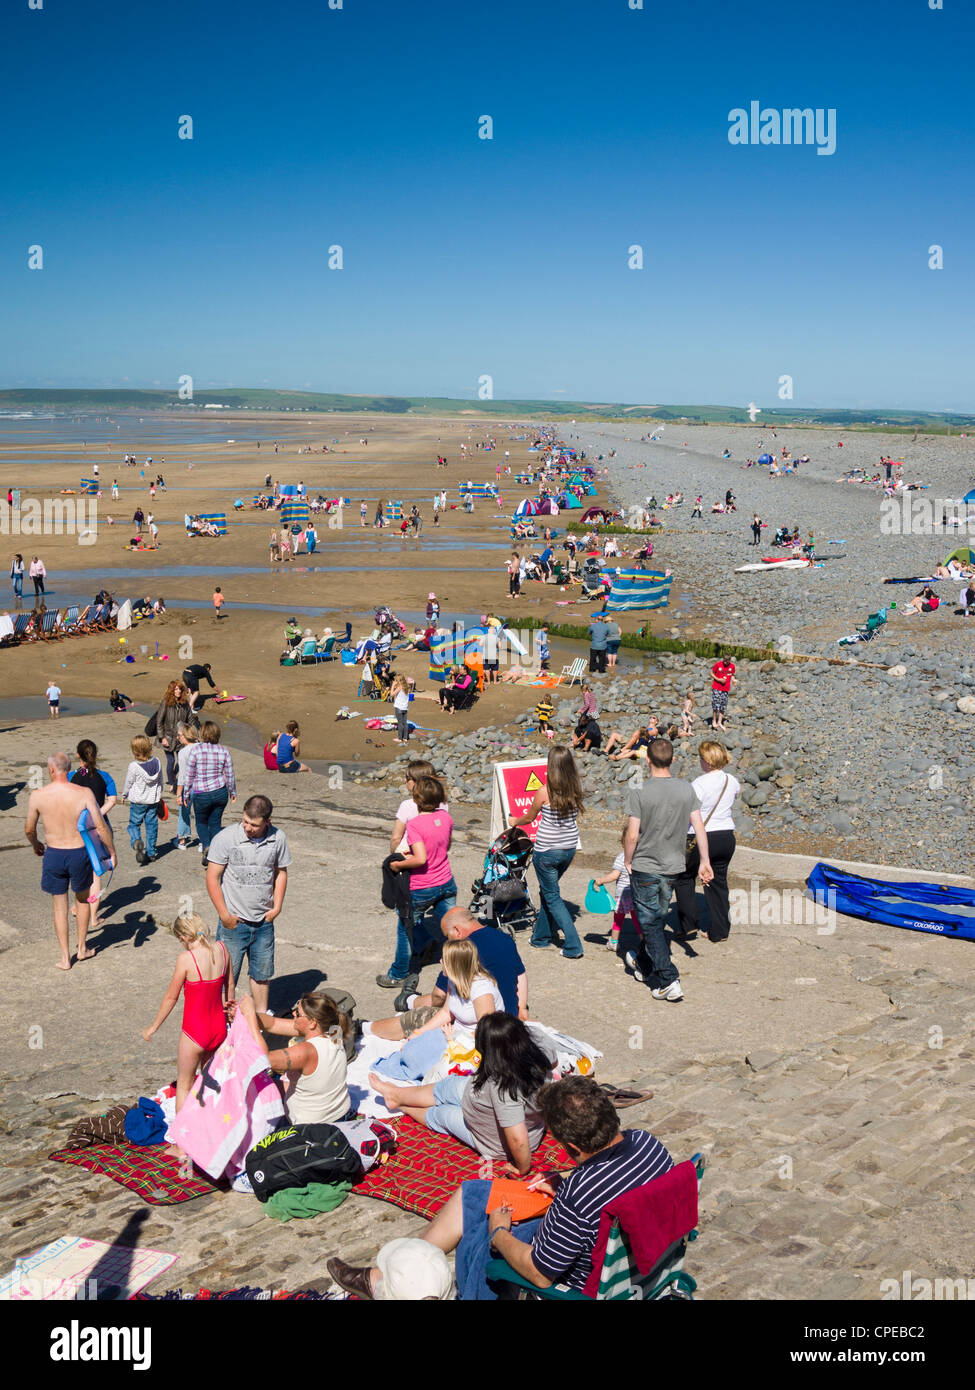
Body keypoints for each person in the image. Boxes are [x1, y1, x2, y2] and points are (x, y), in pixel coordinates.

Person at [337, 1076, 673, 1301]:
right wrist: (566, 1186)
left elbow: (540, 1275)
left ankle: (409, 1286)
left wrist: (499, 1233)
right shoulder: (647, 1143)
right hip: (633, 1256)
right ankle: (392, 1274)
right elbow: (610, 1184)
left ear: (571, 1146)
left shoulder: (578, 1197)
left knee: (485, 1233)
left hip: (586, 1284)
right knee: (476, 1192)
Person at [369, 1012, 556, 1171]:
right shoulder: (539, 1051)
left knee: (442, 1114)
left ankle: (402, 1104)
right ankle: (396, 1094)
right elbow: (553, 1063)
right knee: (447, 1086)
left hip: (495, 1141)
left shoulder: (506, 1089)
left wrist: (522, 1168)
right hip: (480, 1098)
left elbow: (517, 1139)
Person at [623, 737, 713, 1001]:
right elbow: (699, 827)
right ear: (673, 760)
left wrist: (628, 859)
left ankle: (668, 978)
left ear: (647, 760)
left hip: (646, 865)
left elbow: (632, 834)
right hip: (674, 865)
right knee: (656, 917)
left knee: (650, 921)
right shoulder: (686, 789)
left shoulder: (639, 789)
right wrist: (704, 861)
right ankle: (643, 961)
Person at [25, 751, 116, 970]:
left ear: (51, 769)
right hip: (78, 852)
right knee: (82, 900)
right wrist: (111, 851)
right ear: (68, 768)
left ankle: (65, 958)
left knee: (59, 906)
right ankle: (82, 948)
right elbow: (100, 825)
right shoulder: (83, 793)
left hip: (54, 853)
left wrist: (36, 844)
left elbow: (29, 829)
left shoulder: (37, 795)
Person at [141, 914, 233, 1127]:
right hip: (218, 1028)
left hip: (195, 1032)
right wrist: (230, 1013)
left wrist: (153, 1027)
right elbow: (229, 986)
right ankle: (212, 1131)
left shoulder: (186, 959)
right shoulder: (222, 949)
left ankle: (181, 1143)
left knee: (184, 1085)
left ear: (183, 936)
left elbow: (171, 997)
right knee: (211, 1083)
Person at [368, 939, 503, 1084]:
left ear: (454, 965)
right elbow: (446, 1013)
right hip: (454, 1035)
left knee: (419, 1059)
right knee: (412, 1049)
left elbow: (486, 1030)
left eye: (443, 959)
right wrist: (419, 1032)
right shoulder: (454, 981)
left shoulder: (481, 990)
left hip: (474, 1044)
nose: (440, 961)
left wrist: (454, 1040)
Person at [206, 794, 290, 1014]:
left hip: (263, 922)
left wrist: (277, 906)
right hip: (234, 922)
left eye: (254, 824)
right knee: (226, 976)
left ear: (267, 822)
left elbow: (281, 872)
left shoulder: (278, 839)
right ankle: (223, 1020)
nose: (248, 827)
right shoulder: (225, 838)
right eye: (245, 821)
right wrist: (224, 915)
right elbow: (212, 877)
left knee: (262, 974)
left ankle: (261, 1017)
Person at [510, 745, 584, 960]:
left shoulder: (545, 790)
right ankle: (541, 937)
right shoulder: (575, 787)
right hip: (569, 848)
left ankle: (573, 945)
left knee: (551, 895)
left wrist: (515, 821)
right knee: (548, 892)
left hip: (547, 851)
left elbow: (530, 818)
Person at [236, 993, 352, 1125]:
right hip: (337, 1114)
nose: (293, 1013)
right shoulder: (334, 1032)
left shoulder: (306, 1051)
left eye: (298, 1012)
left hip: (310, 1127)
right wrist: (242, 1014)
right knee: (268, 1084)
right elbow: (272, 1023)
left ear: (313, 1022)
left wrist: (250, 1015)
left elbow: (263, 1059)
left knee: (250, 1090)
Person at [385, 774, 456, 980]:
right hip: (446, 880)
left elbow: (420, 859)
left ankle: (398, 974)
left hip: (421, 886)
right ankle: (464, 962)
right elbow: (446, 846)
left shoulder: (414, 824)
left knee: (405, 928)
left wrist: (397, 863)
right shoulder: (446, 818)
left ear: (417, 799)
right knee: (454, 926)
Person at [673, 740, 740, 944]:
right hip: (726, 835)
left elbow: (689, 812)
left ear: (706, 761)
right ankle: (719, 931)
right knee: (718, 881)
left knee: (684, 876)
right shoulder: (732, 780)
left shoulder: (699, 784)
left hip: (701, 835)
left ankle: (689, 923)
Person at [182, 721, 236, 867]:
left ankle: (207, 845)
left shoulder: (196, 751)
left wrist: (185, 794)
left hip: (201, 793)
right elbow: (230, 774)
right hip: (220, 792)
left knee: (201, 821)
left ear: (203, 734)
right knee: (215, 823)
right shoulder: (224, 751)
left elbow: (189, 776)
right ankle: (216, 852)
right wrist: (232, 791)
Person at [122, 734, 163, 864]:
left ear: (134, 751)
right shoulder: (157, 761)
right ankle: (151, 852)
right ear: (149, 747)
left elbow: (129, 782)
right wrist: (159, 793)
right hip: (152, 801)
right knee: (152, 826)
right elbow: (160, 780)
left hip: (138, 801)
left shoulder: (133, 766)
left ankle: (136, 841)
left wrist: (125, 794)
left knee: (134, 824)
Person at [155, 680, 199, 793]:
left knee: (181, 761)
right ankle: (173, 783)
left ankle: (173, 778)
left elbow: (190, 720)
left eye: (180, 689)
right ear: (171, 690)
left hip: (181, 738)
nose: (178, 691)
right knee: (171, 761)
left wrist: (195, 735)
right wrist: (162, 738)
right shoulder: (165, 702)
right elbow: (159, 721)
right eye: (175, 689)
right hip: (167, 737)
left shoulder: (185, 704)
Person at [174, 722, 199, 849]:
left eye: (179, 735)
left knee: (184, 812)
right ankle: (203, 840)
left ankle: (182, 840)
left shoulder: (183, 752)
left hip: (188, 787)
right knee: (201, 813)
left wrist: (178, 794)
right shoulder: (202, 747)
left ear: (185, 735)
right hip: (203, 785)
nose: (178, 737)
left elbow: (182, 776)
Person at [709, 656, 737, 731]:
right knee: (716, 705)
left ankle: (719, 722)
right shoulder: (718, 664)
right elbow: (711, 672)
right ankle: (714, 720)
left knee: (723, 706)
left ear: (729, 660)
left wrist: (734, 680)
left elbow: (732, 675)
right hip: (717, 688)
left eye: (726, 661)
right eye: (724, 660)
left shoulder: (732, 666)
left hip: (725, 689)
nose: (725, 662)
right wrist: (718, 679)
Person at [391, 675, 411, 744]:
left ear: (399, 681)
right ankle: (405, 738)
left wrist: (393, 686)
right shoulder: (407, 687)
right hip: (405, 707)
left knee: (400, 723)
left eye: (396, 680)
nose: (395, 681)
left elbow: (392, 694)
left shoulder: (400, 687)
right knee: (405, 723)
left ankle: (400, 738)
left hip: (399, 707)